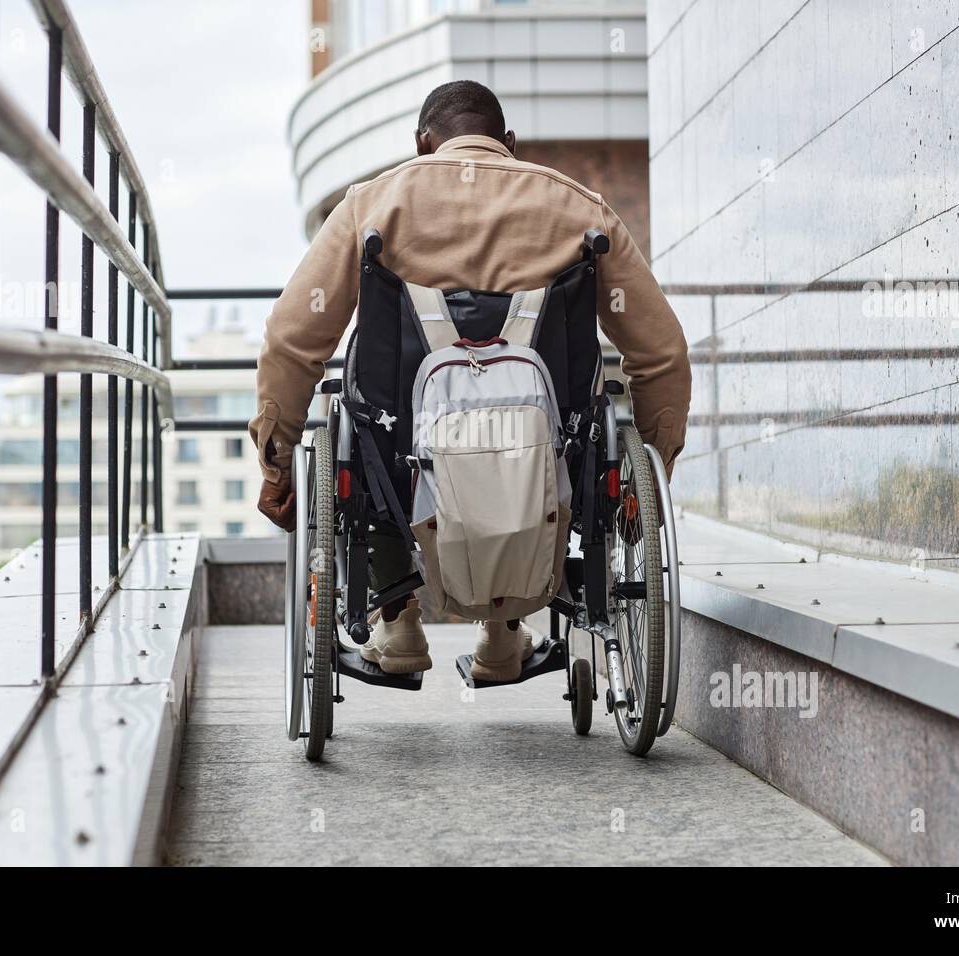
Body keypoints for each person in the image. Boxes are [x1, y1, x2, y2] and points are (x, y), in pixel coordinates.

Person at [251, 80, 690, 681]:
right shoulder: (579, 210)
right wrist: (654, 469)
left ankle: (399, 619)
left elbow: (292, 339)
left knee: (364, 428)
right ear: (508, 143)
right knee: (552, 436)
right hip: (547, 454)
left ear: (422, 142)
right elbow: (661, 351)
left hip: (400, 454)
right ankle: (503, 633)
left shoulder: (372, 206)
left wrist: (277, 462)